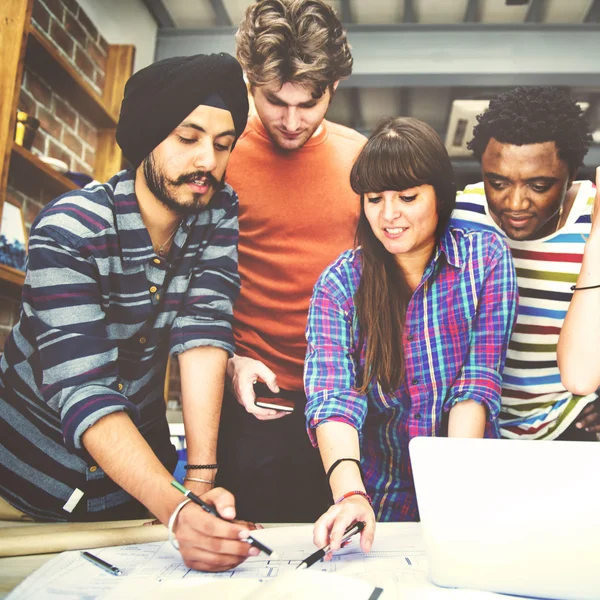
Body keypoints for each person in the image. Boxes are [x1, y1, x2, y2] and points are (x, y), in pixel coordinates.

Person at [0, 53, 257, 572]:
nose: (209, 159)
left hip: (138, 495)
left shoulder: (215, 210)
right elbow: (84, 389)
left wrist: (198, 487)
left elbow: (204, 329)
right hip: (26, 490)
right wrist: (179, 509)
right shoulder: (70, 229)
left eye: (223, 144)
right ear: (147, 137)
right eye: (189, 138)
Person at [305, 117, 518, 553]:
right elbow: (333, 398)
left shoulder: (485, 260)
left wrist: (453, 493)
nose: (388, 215)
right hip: (379, 500)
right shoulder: (339, 285)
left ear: (440, 195)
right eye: (374, 198)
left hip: (469, 488)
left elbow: (477, 383)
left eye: (407, 197)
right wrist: (350, 495)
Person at [216, 0, 366, 522]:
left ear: (334, 87)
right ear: (249, 80)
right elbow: (185, 285)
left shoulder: (360, 159)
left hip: (347, 400)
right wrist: (229, 360)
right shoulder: (220, 156)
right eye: (275, 101)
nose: (292, 121)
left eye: (310, 102)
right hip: (253, 403)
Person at [452, 86, 600, 441]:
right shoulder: (458, 215)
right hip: (468, 425)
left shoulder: (593, 220)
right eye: (498, 182)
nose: (515, 203)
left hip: (563, 423)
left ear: (572, 173)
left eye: (539, 185)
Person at [557, 167, 600, 413]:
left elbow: (580, 379)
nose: (516, 202)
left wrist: (596, 242)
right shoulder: (466, 212)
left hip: (566, 415)